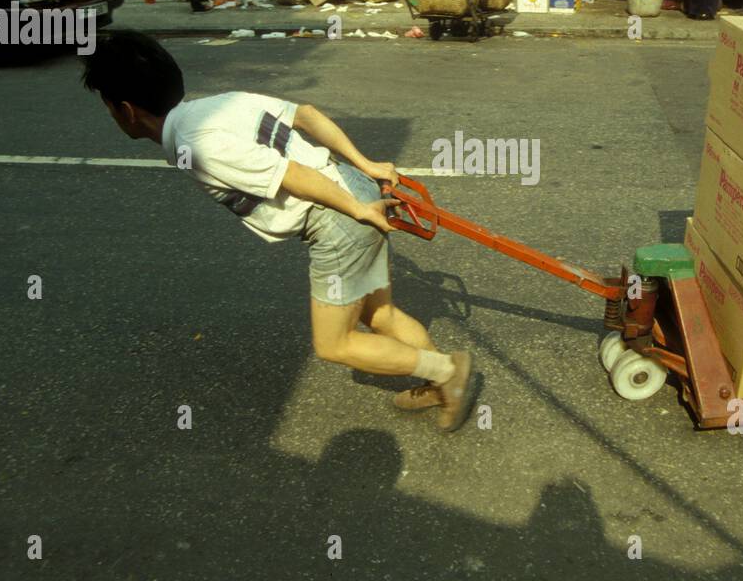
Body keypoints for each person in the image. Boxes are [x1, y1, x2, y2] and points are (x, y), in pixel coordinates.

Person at [80, 30, 475, 429]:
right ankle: (443, 384)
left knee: (333, 344)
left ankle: (446, 371)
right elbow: (304, 113)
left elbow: (292, 174)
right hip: (350, 185)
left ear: (127, 110)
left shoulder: (195, 144)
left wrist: (358, 211)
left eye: (109, 107)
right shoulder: (220, 104)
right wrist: (366, 166)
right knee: (381, 315)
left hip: (338, 215)